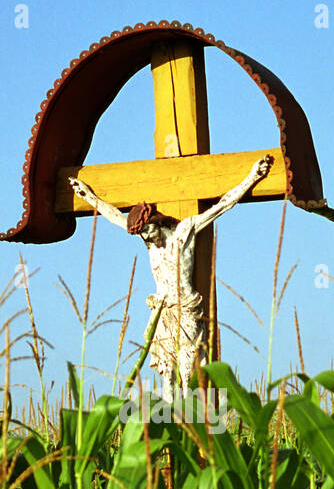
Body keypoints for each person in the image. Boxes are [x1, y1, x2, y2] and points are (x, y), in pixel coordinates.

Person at [68, 154, 273, 399]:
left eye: (147, 230)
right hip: (162, 312)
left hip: (185, 308)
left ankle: (189, 420)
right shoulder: (150, 245)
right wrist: (88, 196)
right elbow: (115, 216)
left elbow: (222, 205)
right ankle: (168, 418)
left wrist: (252, 177)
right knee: (167, 372)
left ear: (157, 221)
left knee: (187, 371)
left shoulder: (184, 233)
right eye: (141, 234)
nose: (145, 237)